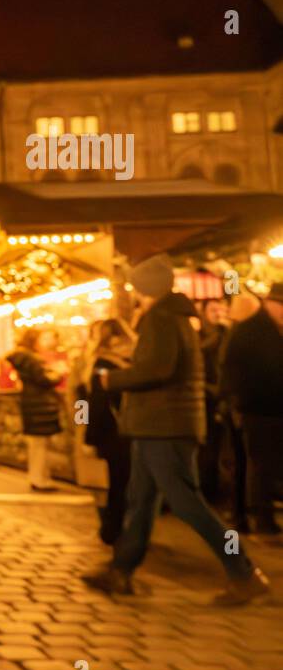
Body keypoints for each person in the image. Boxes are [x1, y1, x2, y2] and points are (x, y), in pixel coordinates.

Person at [85, 255, 269, 605]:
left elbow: (158, 368)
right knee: (140, 501)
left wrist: (112, 378)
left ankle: (244, 573)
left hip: (164, 426)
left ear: (145, 288)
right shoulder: (174, 317)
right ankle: (121, 570)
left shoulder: (161, 318)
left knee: (188, 504)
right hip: (158, 425)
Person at [220, 281, 283, 536]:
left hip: (262, 406)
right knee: (258, 464)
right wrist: (236, 401)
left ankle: (243, 516)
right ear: (270, 305)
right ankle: (260, 519)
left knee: (252, 463)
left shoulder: (268, 329)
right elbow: (234, 369)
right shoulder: (254, 330)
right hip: (255, 407)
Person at [82, 317, 135, 544]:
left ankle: (112, 531)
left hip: (112, 432)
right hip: (135, 428)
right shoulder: (135, 359)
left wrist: (87, 435)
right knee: (128, 481)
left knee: (114, 483)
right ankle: (130, 529)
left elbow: (94, 402)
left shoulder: (102, 363)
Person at [7, 327, 64, 492]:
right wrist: (58, 375)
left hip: (32, 404)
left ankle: (37, 477)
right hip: (43, 406)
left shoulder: (23, 358)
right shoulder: (32, 359)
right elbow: (43, 379)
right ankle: (40, 480)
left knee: (36, 445)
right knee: (40, 445)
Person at [196, 297, 232, 505]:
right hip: (206, 400)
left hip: (224, 399)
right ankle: (207, 490)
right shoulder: (201, 338)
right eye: (213, 309)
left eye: (221, 308)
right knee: (207, 448)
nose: (218, 313)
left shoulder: (228, 334)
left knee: (222, 449)